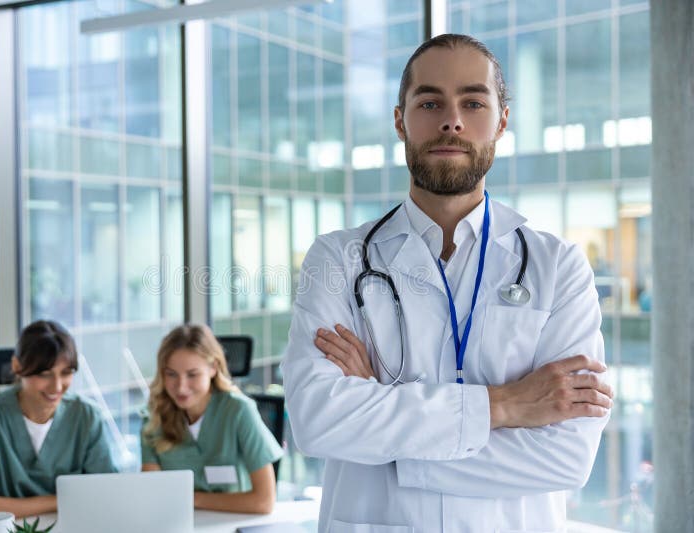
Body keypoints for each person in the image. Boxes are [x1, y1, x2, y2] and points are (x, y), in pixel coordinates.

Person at [282, 34, 614, 532]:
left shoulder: (557, 266)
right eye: (430, 101)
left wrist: (384, 426)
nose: (451, 120)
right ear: (401, 120)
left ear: (502, 120)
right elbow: (318, 421)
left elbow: (565, 457)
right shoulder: (339, 258)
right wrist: (505, 404)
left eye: (473, 102)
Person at [0, 320, 119, 522]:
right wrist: (61, 500)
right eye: (44, 374)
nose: (57, 386)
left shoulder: (86, 417)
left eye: (66, 373)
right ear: (17, 366)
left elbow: (106, 494)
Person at [141, 324, 282, 514]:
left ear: (213, 368)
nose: (181, 387)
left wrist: (191, 499)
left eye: (192, 374)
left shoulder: (238, 410)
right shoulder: (153, 417)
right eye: (171, 374)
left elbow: (264, 502)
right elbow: (152, 496)